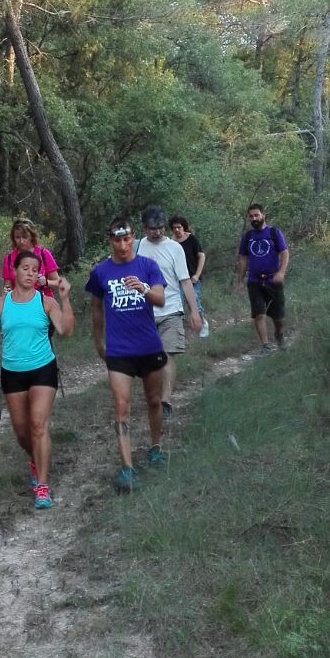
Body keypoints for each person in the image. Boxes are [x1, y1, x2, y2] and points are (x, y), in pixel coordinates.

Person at [0, 254, 74, 510]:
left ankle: (42, 485)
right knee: (22, 433)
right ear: (15, 271)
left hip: (43, 368)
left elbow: (66, 331)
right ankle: (36, 460)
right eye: (25, 269)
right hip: (12, 372)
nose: (30, 274)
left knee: (38, 425)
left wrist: (65, 298)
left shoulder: (46, 301)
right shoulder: (2, 303)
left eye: (34, 270)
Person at [85, 215, 168, 492]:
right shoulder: (100, 272)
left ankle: (155, 447)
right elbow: (96, 307)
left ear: (133, 238)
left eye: (127, 239)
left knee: (154, 400)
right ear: (110, 240)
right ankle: (127, 467)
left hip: (148, 346)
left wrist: (142, 288)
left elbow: (160, 298)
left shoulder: (148, 266)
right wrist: (99, 341)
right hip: (119, 350)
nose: (122, 245)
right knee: (122, 408)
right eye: (117, 240)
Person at [135, 205, 201, 421]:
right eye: (153, 228)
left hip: (171, 309)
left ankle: (166, 400)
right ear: (144, 227)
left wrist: (194, 311)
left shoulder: (175, 248)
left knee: (167, 354)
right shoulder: (137, 247)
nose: (158, 232)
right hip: (144, 311)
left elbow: (185, 280)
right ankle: (153, 394)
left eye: (161, 227)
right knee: (149, 359)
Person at [236, 203, 289, 352]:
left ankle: (279, 334)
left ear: (263, 215)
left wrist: (281, 272)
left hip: (273, 279)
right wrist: (240, 280)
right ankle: (265, 345)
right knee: (259, 313)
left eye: (256, 215)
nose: (254, 218)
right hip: (254, 280)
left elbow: (284, 252)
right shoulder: (247, 237)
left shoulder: (274, 232)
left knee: (278, 316)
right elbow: (243, 258)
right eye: (251, 216)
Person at [170, 214, 209, 337]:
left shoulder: (192, 239)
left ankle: (203, 323)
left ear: (184, 227)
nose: (177, 230)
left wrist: (197, 275)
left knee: (195, 300)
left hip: (192, 278)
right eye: (174, 228)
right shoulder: (170, 243)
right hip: (178, 279)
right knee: (178, 304)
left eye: (179, 227)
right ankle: (179, 331)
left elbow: (201, 256)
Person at [1, 218, 60, 293]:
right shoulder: (9, 259)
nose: (21, 241)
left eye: (25, 237)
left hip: (42, 302)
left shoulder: (43, 253)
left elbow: (58, 283)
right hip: (19, 302)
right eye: (18, 237)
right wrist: (7, 291)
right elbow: (8, 286)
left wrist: (46, 282)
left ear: (32, 237)